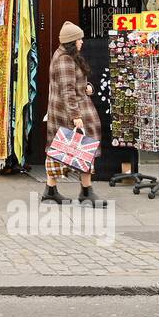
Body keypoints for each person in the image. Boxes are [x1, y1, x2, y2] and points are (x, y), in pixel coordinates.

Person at [42, 21, 100, 205]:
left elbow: (74, 84)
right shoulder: (65, 59)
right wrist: (76, 117)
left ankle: (53, 190)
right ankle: (84, 191)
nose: (82, 41)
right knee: (80, 150)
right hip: (68, 114)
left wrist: (87, 87)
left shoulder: (67, 56)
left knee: (62, 151)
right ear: (71, 41)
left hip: (66, 111)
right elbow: (67, 90)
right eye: (79, 39)